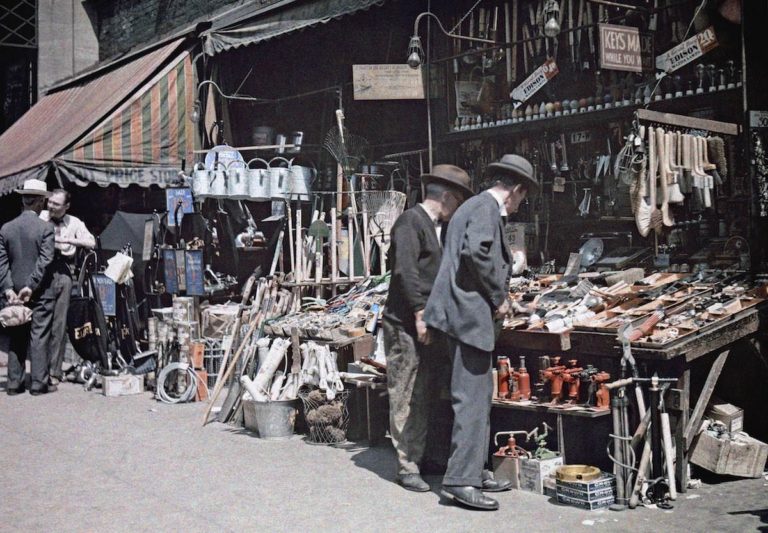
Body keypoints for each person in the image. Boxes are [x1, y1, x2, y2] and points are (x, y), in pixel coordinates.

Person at [423, 154, 539, 510]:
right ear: (515, 190)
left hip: (461, 316)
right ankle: (461, 481)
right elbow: (478, 253)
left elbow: (473, 257)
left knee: (476, 397)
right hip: (468, 320)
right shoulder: (487, 209)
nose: (520, 204)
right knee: (471, 401)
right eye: (523, 197)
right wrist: (499, 297)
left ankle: (475, 469)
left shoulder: (472, 207)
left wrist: (507, 300)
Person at [383, 164, 474, 492]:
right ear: (447, 197)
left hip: (431, 325)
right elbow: (405, 272)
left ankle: (427, 457)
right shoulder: (410, 222)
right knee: (408, 393)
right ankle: (407, 466)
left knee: (432, 392)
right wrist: (421, 313)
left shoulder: (439, 228)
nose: (459, 208)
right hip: (405, 325)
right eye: (459, 201)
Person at [0, 179, 56, 395]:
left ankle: (14, 383)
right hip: (40, 291)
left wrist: (8, 288)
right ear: (40, 202)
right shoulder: (46, 228)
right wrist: (31, 286)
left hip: (13, 290)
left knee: (17, 335)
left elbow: (1, 262)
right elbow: (45, 260)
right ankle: (38, 383)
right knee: (39, 335)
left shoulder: (6, 228)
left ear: (24, 200)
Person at [40, 188, 96, 385]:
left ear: (66, 206)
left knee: (59, 323)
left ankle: (54, 372)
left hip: (64, 272)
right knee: (40, 324)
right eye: (50, 202)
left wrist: (69, 240)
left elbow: (91, 242)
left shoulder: (74, 222)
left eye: (56, 204)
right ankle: (40, 370)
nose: (51, 207)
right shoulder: (41, 217)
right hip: (42, 274)